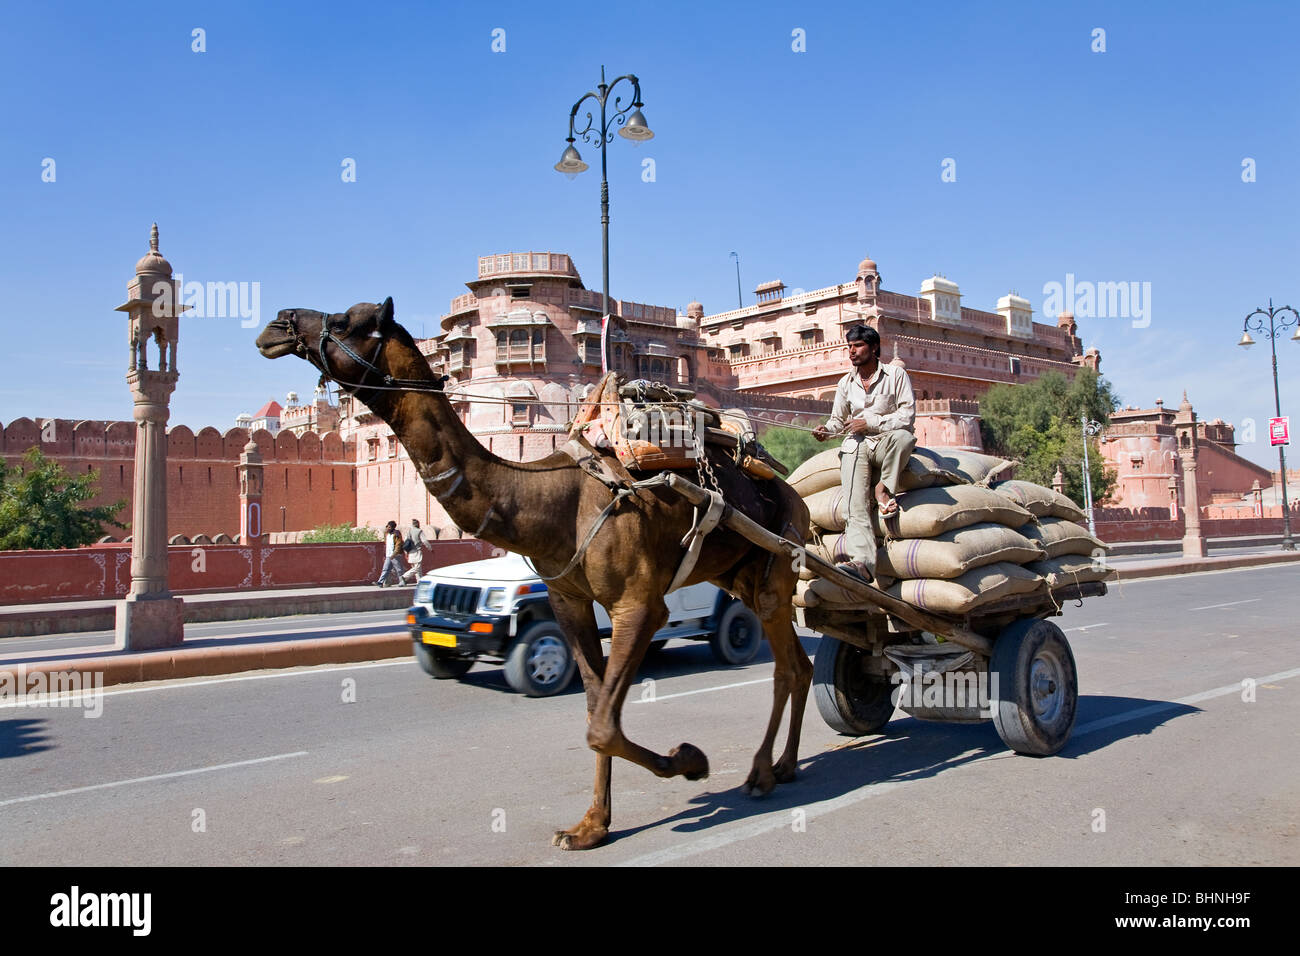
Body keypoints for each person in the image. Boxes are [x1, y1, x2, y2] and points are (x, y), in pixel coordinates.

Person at [812, 324, 916, 583]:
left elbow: (907, 416)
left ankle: (883, 488)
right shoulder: (846, 383)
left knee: (905, 438)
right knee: (854, 505)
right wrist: (827, 430)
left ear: (874, 348)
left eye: (857, 346)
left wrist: (870, 423)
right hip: (856, 446)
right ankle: (863, 563)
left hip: (886, 442)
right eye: (849, 346)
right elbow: (838, 421)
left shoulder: (895, 375)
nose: (852, 351)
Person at [375, 520, 405, 587]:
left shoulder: (396, 534)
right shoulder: (387, 534)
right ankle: (380, 582)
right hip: (388, 555)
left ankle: (402, 581)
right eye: (387, 527)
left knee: (399, 569)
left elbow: (398, 545)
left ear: (392, 528)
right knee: (385, 569)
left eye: (389, 527)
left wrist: (394, 554)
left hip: (395, 555)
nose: (387, 528)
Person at [400, 518, 427, 584]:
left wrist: (406, 553)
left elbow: (406, 543)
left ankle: (420, 582)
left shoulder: (409, 532)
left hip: (410, 552)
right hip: (417, 552)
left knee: (418, 570)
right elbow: (425, 541)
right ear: (417, 524)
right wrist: (430, 548)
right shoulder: (419, 531)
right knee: (417, 568)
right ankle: (404, 576)